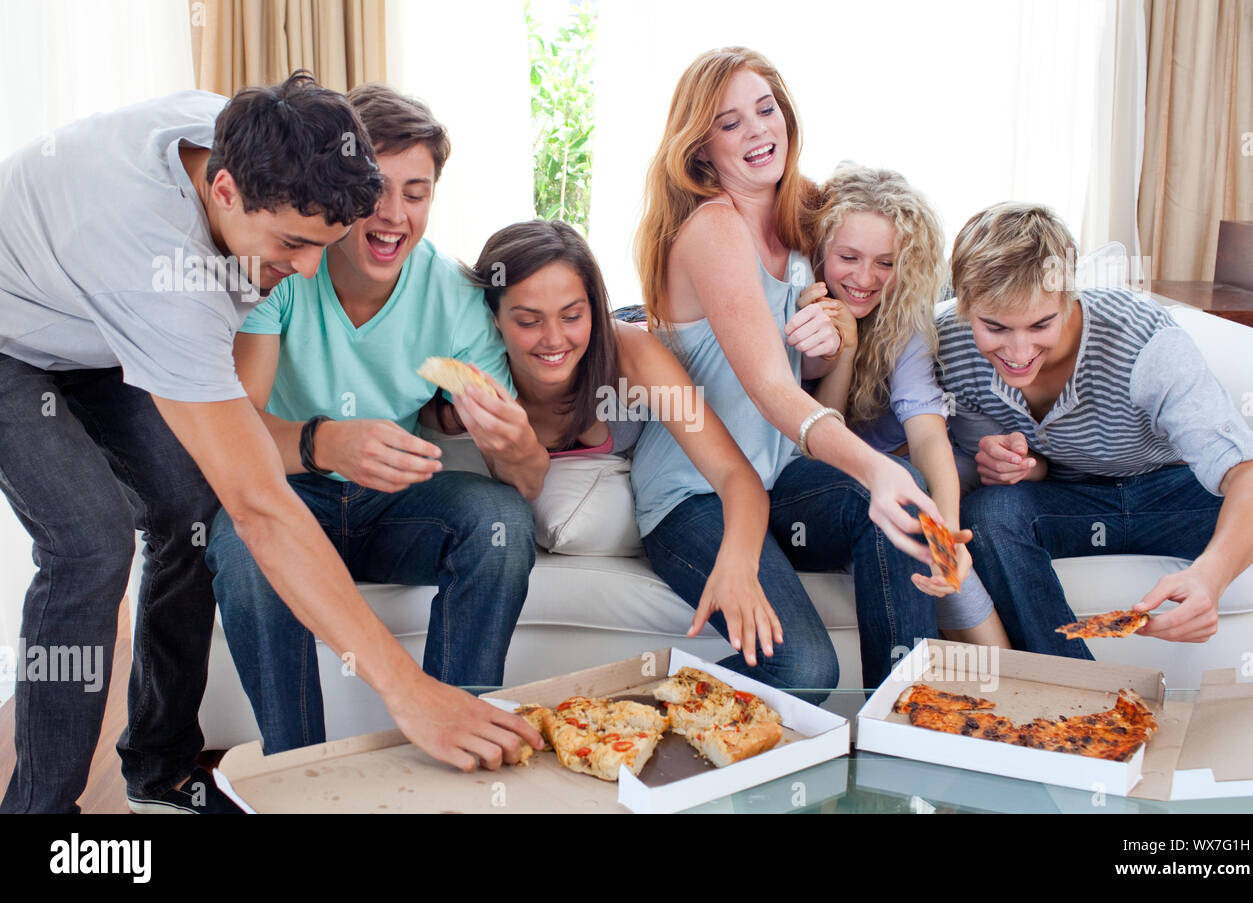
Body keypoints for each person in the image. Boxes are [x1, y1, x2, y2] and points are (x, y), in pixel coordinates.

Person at [0, 73, 537, 814]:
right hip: (11, 333)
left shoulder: (250, 137)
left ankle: (157, 767)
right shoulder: (156, 270)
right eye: (291, 244)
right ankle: (39, 814)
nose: (307, 269)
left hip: (87, 326)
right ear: (223, 191)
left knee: (184, 501)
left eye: (322, 244)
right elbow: (258, 503)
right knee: (91, 542)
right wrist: (411, 693)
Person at [205, 85, 549, 755]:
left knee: (501, 521)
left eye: (415, 193)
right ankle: (295, 765)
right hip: (287, 494)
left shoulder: (454, 299)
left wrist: (513, 442)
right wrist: (328, 443)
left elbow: (527, 482)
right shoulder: (287, 266)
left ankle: (459, 741)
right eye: (376, 191)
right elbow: (237, 439)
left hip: (392, 506)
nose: (393, 216)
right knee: (239, 538)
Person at [632, 47, 951, 689]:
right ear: (701, 150)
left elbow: (880, 234)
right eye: (729, 123)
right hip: (695, 493)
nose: (757, 132)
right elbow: (774, 390)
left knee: (903, 510)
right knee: (803, 665)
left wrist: (840, 332)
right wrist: (873, 464)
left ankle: (904, 724)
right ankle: (626, 716)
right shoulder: (713, 231)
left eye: (765, 109)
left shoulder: (800, 211)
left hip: (777, 477)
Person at [935, 202, 1253, 678]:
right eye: (995, 328)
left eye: (1041, 325)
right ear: (963, 306)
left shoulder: (1145, 340)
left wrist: (1209, 577)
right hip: (1064, 503)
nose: (1019, 353)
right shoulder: (947, 344)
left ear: (1069, 298)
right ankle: (1079, 695)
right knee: (989, 516)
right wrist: (1016, 466)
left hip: (1168, 493)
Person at [454, 220, 788, 671]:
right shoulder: (479, 383)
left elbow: (734, 473)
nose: (553, 339)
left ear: (593, 307)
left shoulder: (631, 355)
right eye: (529, 321)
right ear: (494, 318)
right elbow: (526, 482)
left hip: (638, 331)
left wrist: (739, 563)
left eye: (572, 315)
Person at [800, 163, 1010, 648]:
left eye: (886, 263)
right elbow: (820, 446)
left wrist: (948, 534)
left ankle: (1004, 684)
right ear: (820, 253)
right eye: (848, 257)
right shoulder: (799, 303)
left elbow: (927, 431)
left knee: (927, 514)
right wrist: (845, 353)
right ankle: (1004, 680)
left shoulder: (904, 316)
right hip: (828, 475)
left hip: (897, 468)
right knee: (906, 503)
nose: (864, 278)